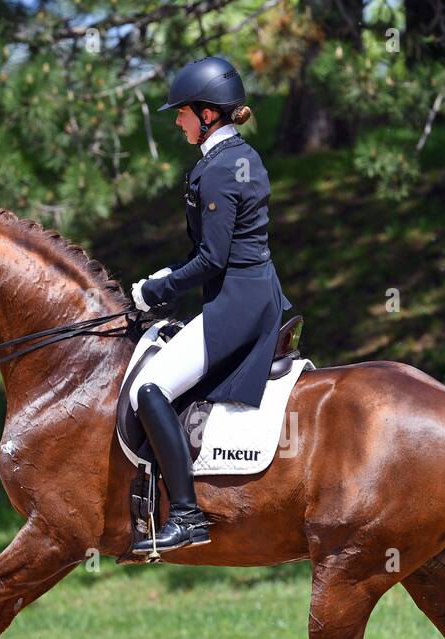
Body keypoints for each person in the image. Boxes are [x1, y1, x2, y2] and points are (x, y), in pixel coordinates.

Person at [128, 55, 293, 554]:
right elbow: (210, 252)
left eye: (182, 111)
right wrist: (167, 276)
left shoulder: (221, 170)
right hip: (249, 292)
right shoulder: (232, 158)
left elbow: (213, 259)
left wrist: (156, 292)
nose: (176, 119)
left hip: (238, 301)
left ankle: (186, 516)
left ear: (208, 114)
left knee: (149, 388)